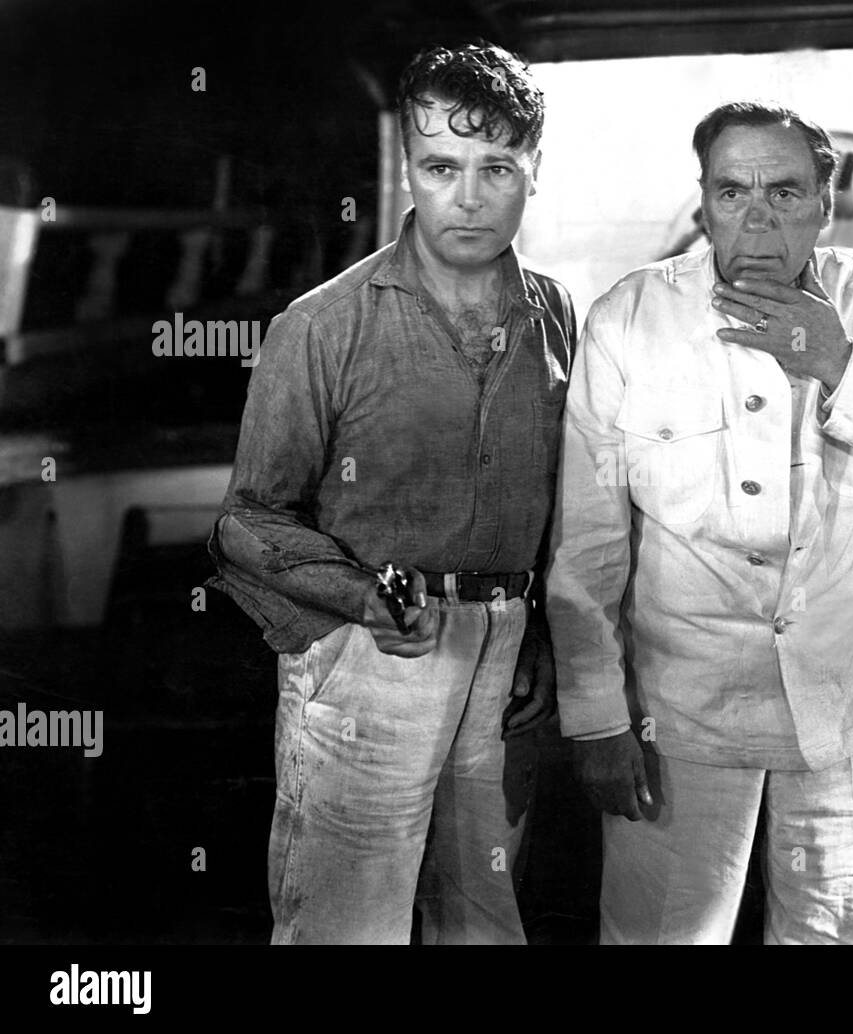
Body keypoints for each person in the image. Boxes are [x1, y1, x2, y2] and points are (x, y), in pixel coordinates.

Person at [546, 101, 853, 944]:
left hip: (844, 704)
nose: (755, 218)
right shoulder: (629, 320)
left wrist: (836, 358)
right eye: (731, 191)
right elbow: (587, 545)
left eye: (784, 193)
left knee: (843, 934)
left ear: (826, 205)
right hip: (683, 707)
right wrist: (599, 720)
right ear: (705, 202)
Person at [206, 42, 575, 944]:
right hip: (366, 660)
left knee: (485, 922)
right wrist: (359, 598)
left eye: (499, 168)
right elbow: (246, 522)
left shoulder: (558, 314)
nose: (470, 196)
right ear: (407, 166)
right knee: (345, 927)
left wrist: (538, 638)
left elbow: (561, 501)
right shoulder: (323, 325)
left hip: (504, 654)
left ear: (536, 169)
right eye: (441, 167)